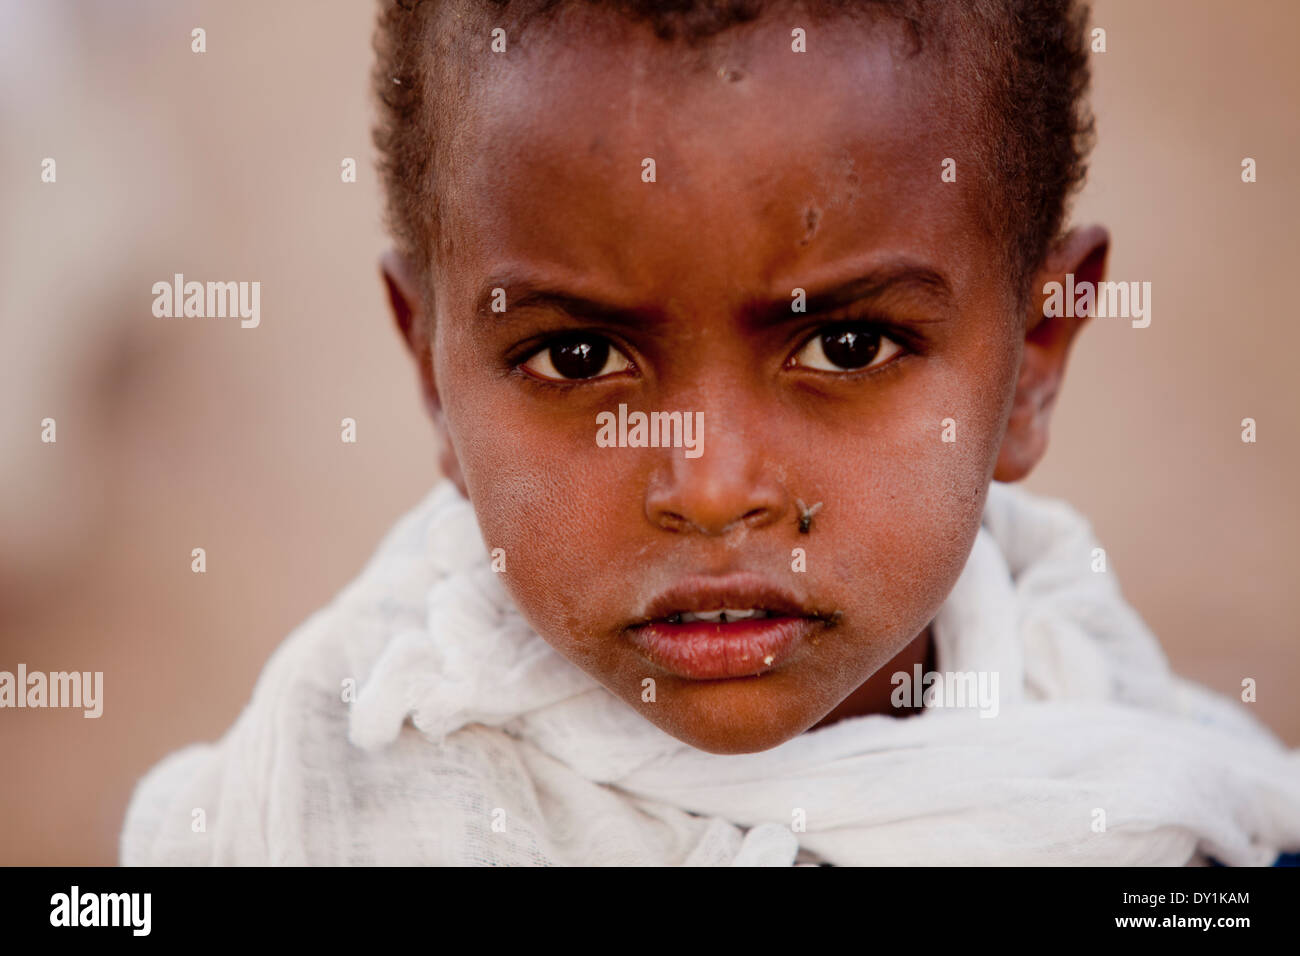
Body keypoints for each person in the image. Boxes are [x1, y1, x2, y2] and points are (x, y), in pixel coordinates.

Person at [120, 0, 1300, 866]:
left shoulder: (1165, 808)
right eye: (577, 356)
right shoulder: (317, 800)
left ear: (1035, 354)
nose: (710, 486)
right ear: (430, 367)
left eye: (844, 346)